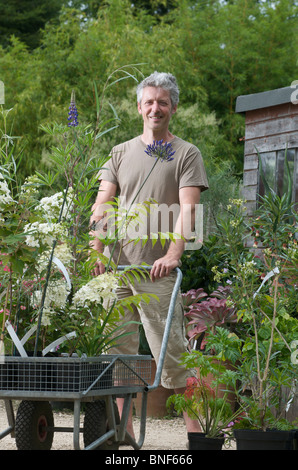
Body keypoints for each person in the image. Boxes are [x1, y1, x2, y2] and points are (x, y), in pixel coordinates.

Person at [90, 71, 209, 441]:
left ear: (173, 107)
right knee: (118, 360)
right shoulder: (120, 152)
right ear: (139, 107)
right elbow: (102, 202)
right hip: (119, 272)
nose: (155, 108)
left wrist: (174, 254)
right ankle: (123, 437)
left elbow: (189, 210)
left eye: (162, 102)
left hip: (157, 273)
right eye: (149, 102)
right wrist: (96, 250)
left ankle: (198, 438)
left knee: (174, 360)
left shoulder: (186, 153)